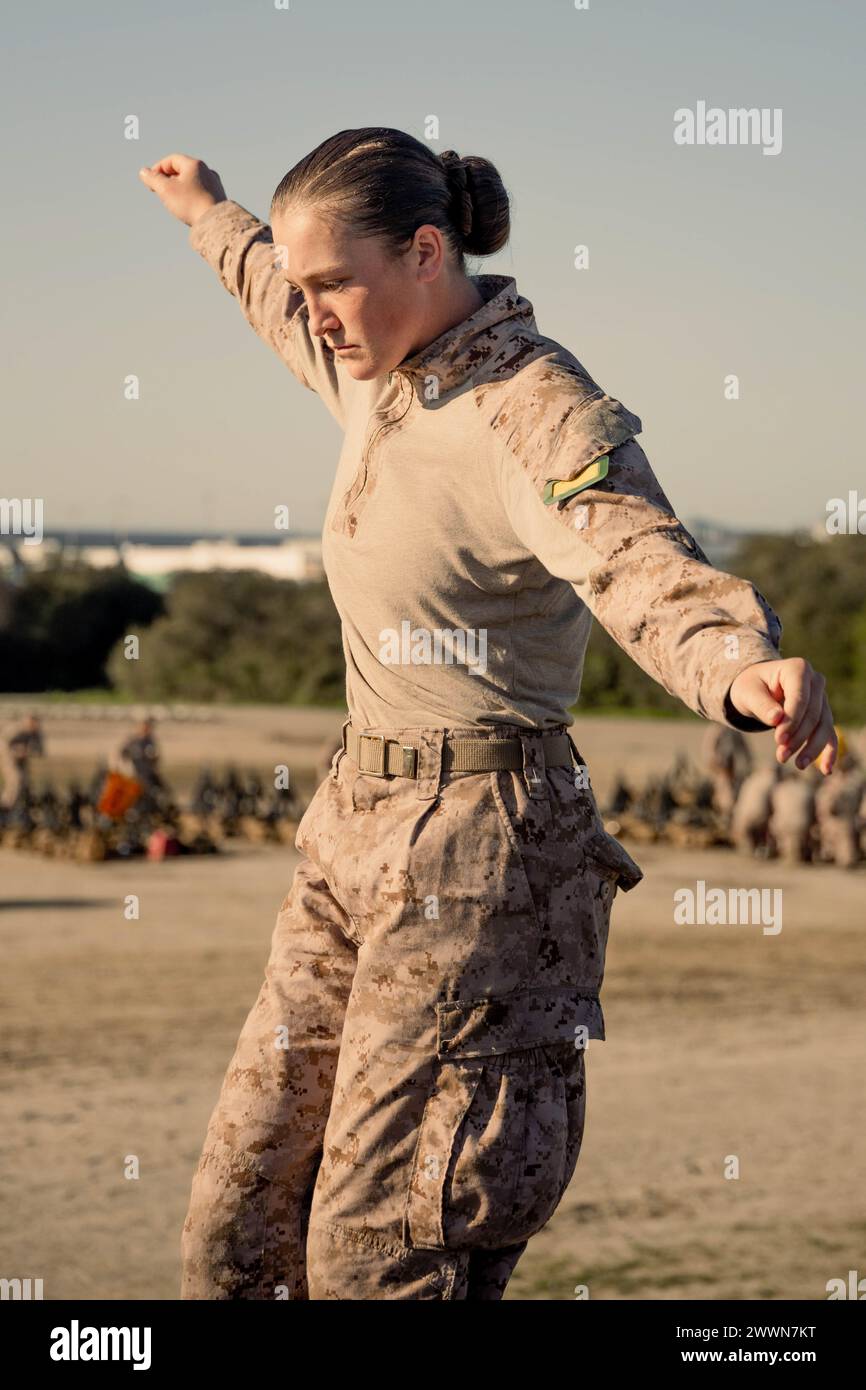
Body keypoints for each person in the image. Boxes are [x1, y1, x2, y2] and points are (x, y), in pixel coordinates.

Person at [140, 130, 838, 1301]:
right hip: (348, 822)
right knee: (237, 1243)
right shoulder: (364, 357)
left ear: (424, 251)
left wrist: (737, 664)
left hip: (482, 851)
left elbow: (635, 558)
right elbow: (270, 281)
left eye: (332, 283)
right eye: (305, 287)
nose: (310, 310)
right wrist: (205, 210)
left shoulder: (535, 409)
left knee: (382, 1258)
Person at [0, 712, 44, 811]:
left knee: (25, 780)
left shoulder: (36, 732)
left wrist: (27, 751)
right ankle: (5, 805)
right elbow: (2, 743)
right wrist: (15, 752)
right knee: (15, 778)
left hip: (22, 757)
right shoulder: (15, 729)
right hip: (7, 756)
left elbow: (40, 751)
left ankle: (21, 805)